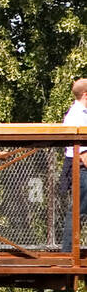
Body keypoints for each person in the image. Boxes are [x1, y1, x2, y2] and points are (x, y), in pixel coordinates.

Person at [60, 78, 87, 252]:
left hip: (80, 165)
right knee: (79, 209)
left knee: (80, 209)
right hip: (81, 167)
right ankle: (69, 252)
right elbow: (83, 152)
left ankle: (69, 251)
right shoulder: (78, 115)